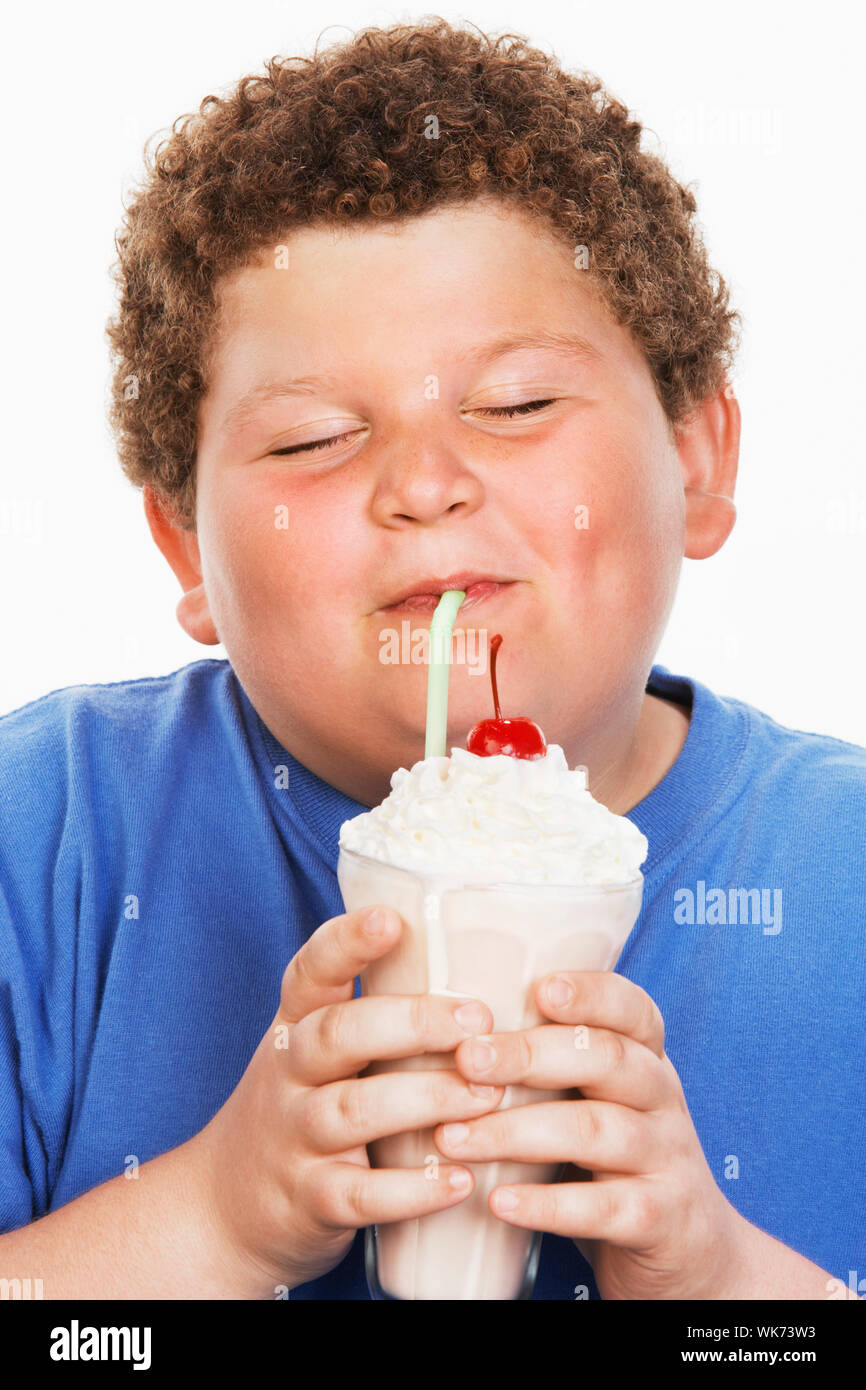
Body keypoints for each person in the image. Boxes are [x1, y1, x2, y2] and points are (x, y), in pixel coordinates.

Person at [1, 18, 863, 1301]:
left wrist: (714, 1295)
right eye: (312, 439)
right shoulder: (50, 835)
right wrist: (208, 1226)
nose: (423, 483)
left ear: (694, 456)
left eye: (514, 406)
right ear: (184, 543)